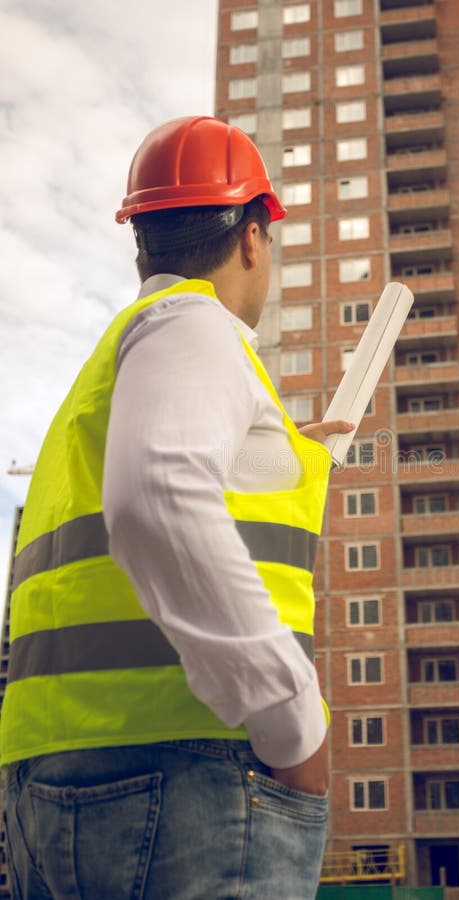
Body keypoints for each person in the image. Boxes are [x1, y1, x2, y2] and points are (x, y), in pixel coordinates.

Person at [1, 115, 354, 900]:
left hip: (58, 776)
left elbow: (147, 490)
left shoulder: (117, 358)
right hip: (188, 777)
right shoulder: (195, 323)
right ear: (254, 238)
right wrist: (291, 719)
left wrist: (274, 447)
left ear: (141, 242)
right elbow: (158, 496)